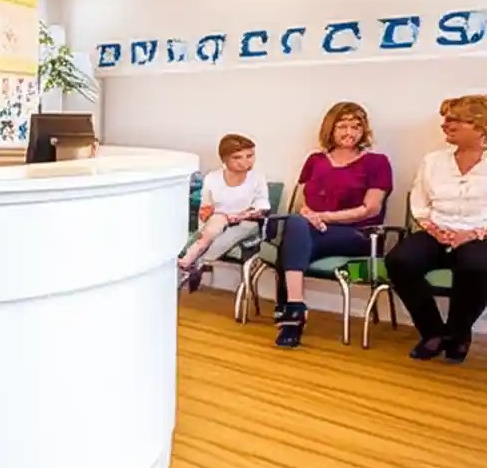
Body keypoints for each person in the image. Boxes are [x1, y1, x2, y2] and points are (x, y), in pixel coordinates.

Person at [272, 102, 393, 348]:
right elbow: (302, 203)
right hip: (316, 231)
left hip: (359, 236)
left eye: (356, 127)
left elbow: (370, 209)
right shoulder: (315, 160)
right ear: (330, 129)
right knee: (295, 226)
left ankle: (291, 318)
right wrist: (309, 215)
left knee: (291, 241)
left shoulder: (377, 162)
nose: (349, 132)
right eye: (343, 126)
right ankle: (295, 307)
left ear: (364, 131)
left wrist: (323, 217)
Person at [384, 95, 487, 363]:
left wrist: (475, 234)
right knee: (399, 260)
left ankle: (458, 333)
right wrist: (434, 228)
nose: (446, 126)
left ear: (480, 126)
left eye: (454, 120)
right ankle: (432, 332)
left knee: (477, 266)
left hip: (480, 235)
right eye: (445, 120)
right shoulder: (433, 161)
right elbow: (419, 202)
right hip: (438, 230)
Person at [178, 134, 271, 290]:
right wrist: (207, 213)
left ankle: (193, 261)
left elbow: (262, 207)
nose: (245, 162)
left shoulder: (257, 179)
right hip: (216, 223)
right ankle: (195, 261)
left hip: (246, 223)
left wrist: (241, 215)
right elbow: (205, 206)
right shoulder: (212, 178)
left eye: (250, 156)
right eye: (237, 157)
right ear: (224, 159)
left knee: (217, 228)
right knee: (217, 221)